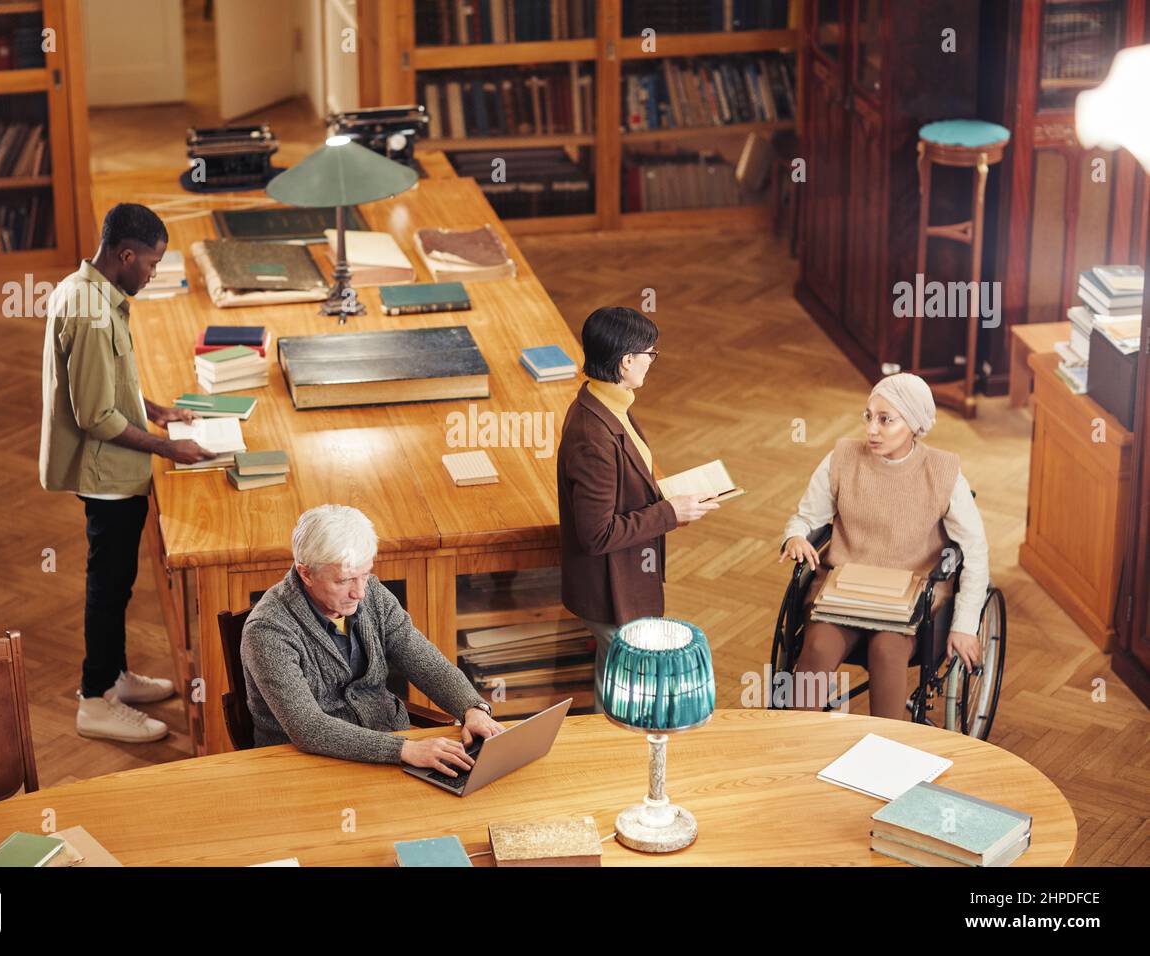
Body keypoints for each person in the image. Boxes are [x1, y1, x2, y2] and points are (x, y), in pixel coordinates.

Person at [40, 202, 217, 743]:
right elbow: (96, 416)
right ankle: (95, 699)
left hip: (117, 469)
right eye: (152, 263)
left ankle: (115, 676)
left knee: (117, 584)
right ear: (125, 255)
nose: (154, 272)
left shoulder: (93, 292)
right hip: (107, 475)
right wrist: (167, 447)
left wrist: (157, 410)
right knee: (107, 585)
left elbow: (107, 385)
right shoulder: (92, 313)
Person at [779, 372, 990, 719]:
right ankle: (794, 742)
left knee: (888, 653)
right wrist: (796, 536)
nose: (871, 429)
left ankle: (886, 754)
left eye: (885, 420)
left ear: (914, 423)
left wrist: (965, 625)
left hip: (907, 603)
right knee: (816, 646)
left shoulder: (942, 472)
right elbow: (805, 518)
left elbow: (976, 551)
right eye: (868, 416)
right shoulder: (843, 458)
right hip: (843, 592)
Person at [241, 504, 506, 776]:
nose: (359, 592)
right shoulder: (268, 630)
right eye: (345, 580)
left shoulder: (373, 594)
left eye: (364, 575)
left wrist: (472, 708)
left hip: (388, 749)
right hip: (305, 767)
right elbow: (309, 727)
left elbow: (426, 662)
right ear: (305, 573)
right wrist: (405, 750)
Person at [557, 306, 719, 711]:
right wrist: (670, 513)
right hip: (611, 588)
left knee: (617, 685)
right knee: (621, 695)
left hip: (625, 577)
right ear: (627, 360)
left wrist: (664, 496)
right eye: (650, 353)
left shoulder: (607, 402)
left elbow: (623, 484)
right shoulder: (595, 433)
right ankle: (616, 760)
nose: (652, 361)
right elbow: (596, 534)